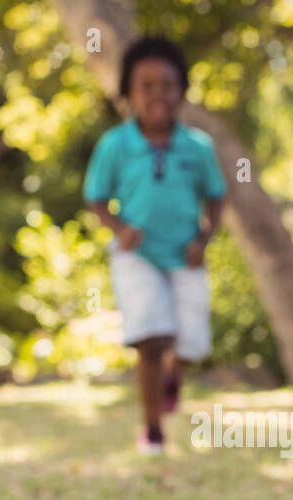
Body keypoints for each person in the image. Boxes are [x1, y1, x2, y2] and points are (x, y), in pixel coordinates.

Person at [83, 35, 226, 456]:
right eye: (146, 86)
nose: (157, 95)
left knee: (191, 343)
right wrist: (118, 227)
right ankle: (152, 430)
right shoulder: (115, 145)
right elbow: (95, 197)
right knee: (150, 335)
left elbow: (216, 196)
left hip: (185, 254)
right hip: (137, 255)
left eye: (167, 85)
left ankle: (172, 373)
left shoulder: (197, 147)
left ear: (181, 90)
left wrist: (204, 237)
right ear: (128, 92)